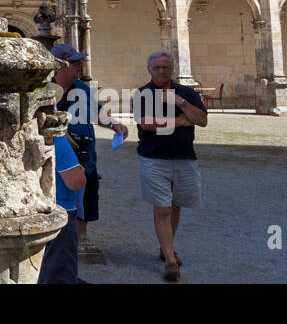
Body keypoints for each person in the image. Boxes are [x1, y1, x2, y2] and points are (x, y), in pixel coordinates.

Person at [135, 51, 207, 281]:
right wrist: (182, 121)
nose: (161, 71)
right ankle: (170, 259)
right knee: (163, 208)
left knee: (175, 207)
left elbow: (202, 120)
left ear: (172, 69)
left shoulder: (186, 93)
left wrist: (180, 102)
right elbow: (146, 124)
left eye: (165, 67)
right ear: (149, 70)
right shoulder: (142, 94)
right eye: (157, 67)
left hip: (185, 157)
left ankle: (165, 247)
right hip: (154, 158)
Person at [50, 43, 128, 250]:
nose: (79, 67)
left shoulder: (82, 88)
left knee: (88, 193)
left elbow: (99, 112)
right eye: (75, 63)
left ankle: (81, 237)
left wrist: (115, 124)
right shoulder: (47, 91)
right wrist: (59, 129)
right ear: (61, 66)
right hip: (62, 159)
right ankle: (59, 237)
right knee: (63, 195)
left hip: (87, 156)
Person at [38, 128, 86, 284]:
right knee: (60, 273)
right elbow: (75, 181)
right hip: (63, 212)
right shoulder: (57, 139)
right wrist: (82, 172)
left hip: (41, 209)